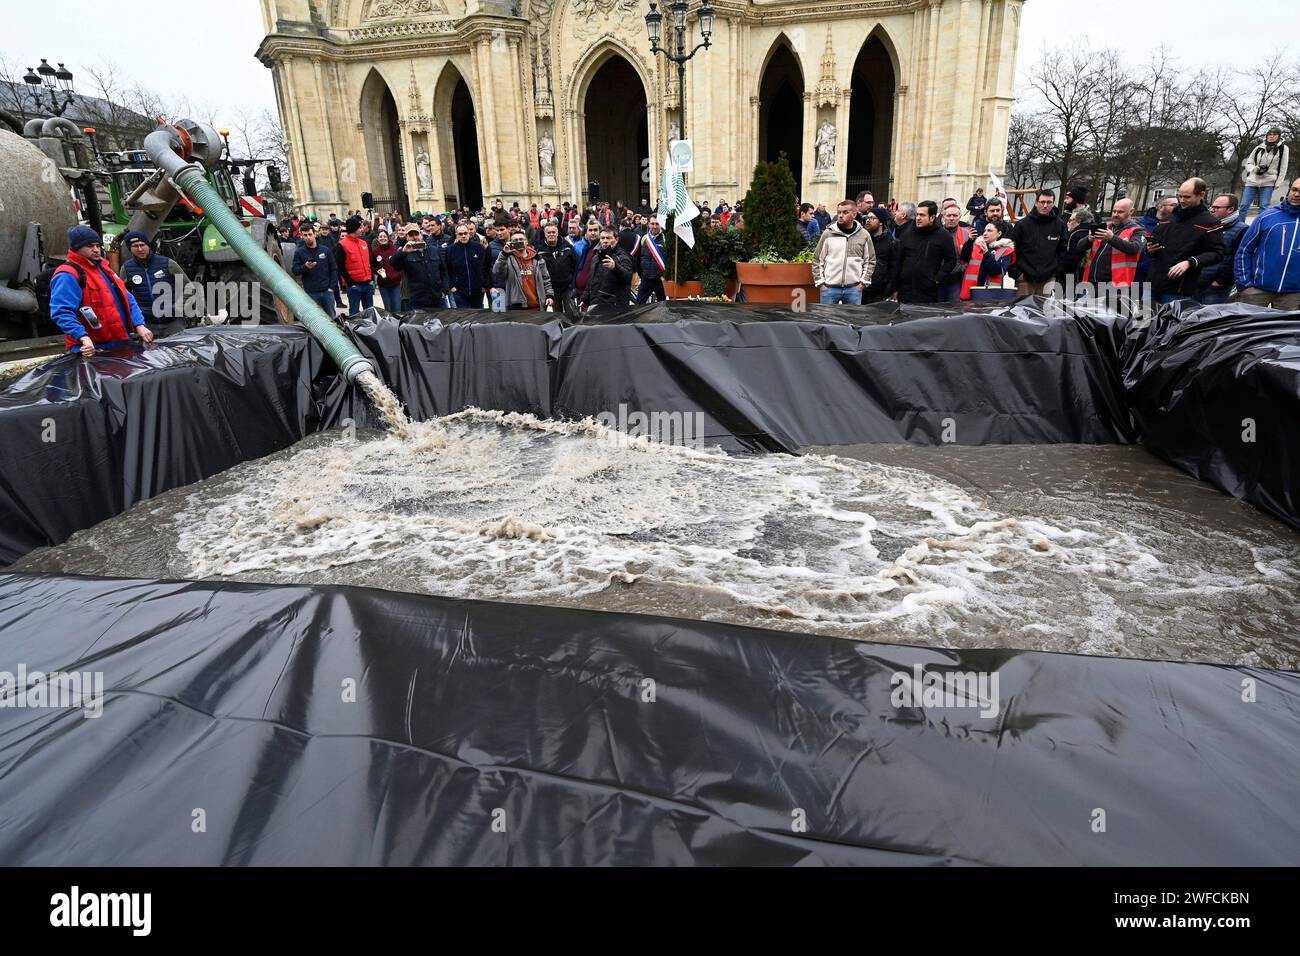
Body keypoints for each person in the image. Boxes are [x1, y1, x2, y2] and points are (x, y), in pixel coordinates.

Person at [50, 225, 153, 355]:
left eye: (98, 245)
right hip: (93, 349)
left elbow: (127, 299)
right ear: (76, 248)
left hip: (120, 344)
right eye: (90, 246)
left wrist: (139, 325)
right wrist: (83, 337)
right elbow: (62, 311)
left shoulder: (105, 269)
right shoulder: (68, 274)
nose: (96, 250)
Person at [1147, 177, 1224, 304]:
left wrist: (1190, 262)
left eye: (1187, 197)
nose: (1182, 201)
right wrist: (1149, 249)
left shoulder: (1209, 223)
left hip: (1178, 289)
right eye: (1180, 196)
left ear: (1201, 195)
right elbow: (1152, 245)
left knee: (1171, 323)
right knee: (1142, 322)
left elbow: (1217, 253)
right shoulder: (1169, 218)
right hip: (1152, 283)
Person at [1234, 177, 1300, 310]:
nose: (1297, 194)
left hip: (1292, 294)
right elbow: (1244, 250)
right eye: (1294, 190)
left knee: (1282, 331)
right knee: (1248, 329)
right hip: (1257, 290)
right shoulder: (1267, 216)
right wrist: (1244, 283)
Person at [118, 230, 188, 336]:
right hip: (147, 325)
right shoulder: (126, 269)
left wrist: (179, 307)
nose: (140, 249)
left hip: (174, 323)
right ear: (130, 249)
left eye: (142, 245)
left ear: (148, 245)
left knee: (179, 350)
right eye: (135, 246)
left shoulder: (167, 263)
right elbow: (123, 296)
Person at [891, 201, 956, 304]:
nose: (918, 218)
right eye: (917, 214)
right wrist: (894, 287)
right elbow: (898, 261)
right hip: (905, 290)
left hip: (928, 292)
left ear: (932, 217)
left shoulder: (943, 236)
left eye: (922, 215)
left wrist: (937, 278)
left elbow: (951, 260)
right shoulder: (907, 233)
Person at [812, 200, 875, 305]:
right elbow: (817, 259)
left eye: (845, 212)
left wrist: (862, 283)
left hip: (853, 289)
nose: (841, 215)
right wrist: (821, 283)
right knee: (827, 320)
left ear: (854, 214)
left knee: (852, 320)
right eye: (839, 212)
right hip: (829, 289)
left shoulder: (864, 235)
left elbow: (870, 261)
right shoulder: (828, 233)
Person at [1080, 198, 1147, 292]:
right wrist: (1089, 239)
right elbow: (1079, 246)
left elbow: (1134, 249)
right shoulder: (1105, 228)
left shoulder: (1137, 230)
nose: (1115, 215)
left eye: (1120, 212)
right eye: (1114, 211)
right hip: (1092, 282)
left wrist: (1111, 238)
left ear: (1131, 211)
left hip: (1116, 285)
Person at [1010, 189, 1066, 296]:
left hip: (1048, 279)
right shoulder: (1022, 225)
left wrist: (1056, 273)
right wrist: (1016, 274)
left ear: (1053, 204)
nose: (1045, 206)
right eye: (1042, 202)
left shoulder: (1059, 225)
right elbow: (1012, 249)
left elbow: (1062, 251)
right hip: (1024, 279)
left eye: (1049, 202)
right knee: (1022, 311)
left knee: (1043, 311)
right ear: (1036, 203)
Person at [1199, 195, 1249, 305]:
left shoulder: (1242, 230)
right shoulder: (1207, 225)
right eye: (1212, 206)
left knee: (1209, 318)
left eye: (1217, 207)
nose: (1212, 210)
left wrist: (1220, 281)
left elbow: (1238, 259)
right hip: (1197, 282)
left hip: (1216, 287)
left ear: (1230, 209)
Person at [492, 227, 554, 311]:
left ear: (526, 242)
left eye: (521, 239)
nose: (519, 241)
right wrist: (504, 254)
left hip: (538, 305)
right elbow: (497, 272)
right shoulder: (508, 258)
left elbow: (546, 279)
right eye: (515, 240)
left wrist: (549, 295)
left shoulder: (538, 259)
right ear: (511, 243)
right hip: (517, 306)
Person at [392, 222, 447, 310]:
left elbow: (443, 271)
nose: (415, 237)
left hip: (438, 299)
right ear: (407, 237)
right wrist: (403, 252)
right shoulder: (405, 253)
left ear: (421, 234)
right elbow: (394, 265)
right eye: (411, 235)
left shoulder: (433, 250)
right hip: (418, 301)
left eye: (416, 234)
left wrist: (445, 289)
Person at [581, 227, 633, 317]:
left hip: (614, 308)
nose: (605, 241)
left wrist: (615, 267)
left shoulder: (623, 257)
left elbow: (628, 278)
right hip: (596, 306)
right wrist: (584, 299)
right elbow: (591, 281)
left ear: (616, 240)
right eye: (602, 238)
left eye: (608, 238)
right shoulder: (596, 257)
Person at [292, 223, 341, 315]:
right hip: (311, 293)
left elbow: (334, 269)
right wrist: (305, 267)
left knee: (332, 320)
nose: (308, 237)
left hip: (327, 292)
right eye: (305, 235)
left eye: (310, 234)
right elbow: (295, 270)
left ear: (315, 234)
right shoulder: (299, 252)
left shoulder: (325, 250)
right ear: (302, 236)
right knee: (316, 321)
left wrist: (331, 287)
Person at [1241, 128, 1290, 220]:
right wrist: (1254, 168)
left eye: (1274, 134)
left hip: (1269, 180)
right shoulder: (1259, 147)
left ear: (1279, 136)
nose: (1271, 136)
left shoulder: (1283, 149)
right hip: (1253, 179)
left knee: (1264, 206)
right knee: (1244, 205)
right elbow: (1249, 162)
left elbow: (1284, 167)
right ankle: (1240, 228)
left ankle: (1261, 228)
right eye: (1270, 134)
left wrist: (1278, 183)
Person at [334, 216, 374, 315]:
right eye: (360, 228)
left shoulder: (364, 243)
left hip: (367, 284)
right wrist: (351, 283)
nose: (362, 229)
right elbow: (340, 267)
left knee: (370, 313)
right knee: (354, 313)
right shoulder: (342, 245)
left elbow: (369, 262)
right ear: (354, 229)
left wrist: (371, 279)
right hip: (354, 286)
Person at [537, 222, 578, 313]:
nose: (551, 234)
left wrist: (572, 281)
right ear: (545, 234)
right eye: (549, 232)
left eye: (553, 232)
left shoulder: (567, 246)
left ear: (557, 233)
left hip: (568, 287)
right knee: (556, 316)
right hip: (551, 289)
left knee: (572, 314)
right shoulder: (539, 249)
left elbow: (576, 264)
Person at [445, 222, 486, 308]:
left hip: (477, 290)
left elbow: (484, 267)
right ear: (456, 235)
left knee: (478, 316)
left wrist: (484, 285)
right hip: (459, 291)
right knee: (464, 316)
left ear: (469, 233)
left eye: (465, 233)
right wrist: (452, 286)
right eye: (460, 234)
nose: (463, 236)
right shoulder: (450, 250)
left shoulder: (479, 247)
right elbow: (448, 269)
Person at [938, 204, 974, 302]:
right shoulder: (936, 234)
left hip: (957, 279)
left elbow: (972, 257)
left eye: (955, 216)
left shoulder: (968, 234)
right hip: (938, 280)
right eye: (949, 216)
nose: (952, 218)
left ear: (960, 217)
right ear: (943, 217)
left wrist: (962, 268)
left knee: (954, 310)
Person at [862, 206, 896, 302]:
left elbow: (894, 267)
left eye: (872, 218)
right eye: (867, 218)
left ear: (881, 222)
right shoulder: (863, 238)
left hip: (879, 292)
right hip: (861, 288)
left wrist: (889, 290)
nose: (868, 221)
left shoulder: (891, 242)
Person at [632, 217, 668, 304]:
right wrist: (642, 275)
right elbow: (638, 259)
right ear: (648, 224)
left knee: (663, 307)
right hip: (646, 279)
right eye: (652, 224)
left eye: (657, 224)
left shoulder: (665, 239)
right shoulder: (644, 238)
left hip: (659, 280)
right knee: (638, 307)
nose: (654, 226)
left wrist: (664, 276)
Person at [370, 228, 403, 312]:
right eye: (380, 236)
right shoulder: (374, 251)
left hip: (396, 283)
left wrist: (398, 274)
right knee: (387, 309)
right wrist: (377, 271)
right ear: (377, 239)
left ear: (388, 238)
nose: (382, 238)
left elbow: (401, 265)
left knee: (397, 308)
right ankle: (389, 324)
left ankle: (397, 324)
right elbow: (371, 266)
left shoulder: (395, 249)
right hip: (383, 284)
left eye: (384, 236)